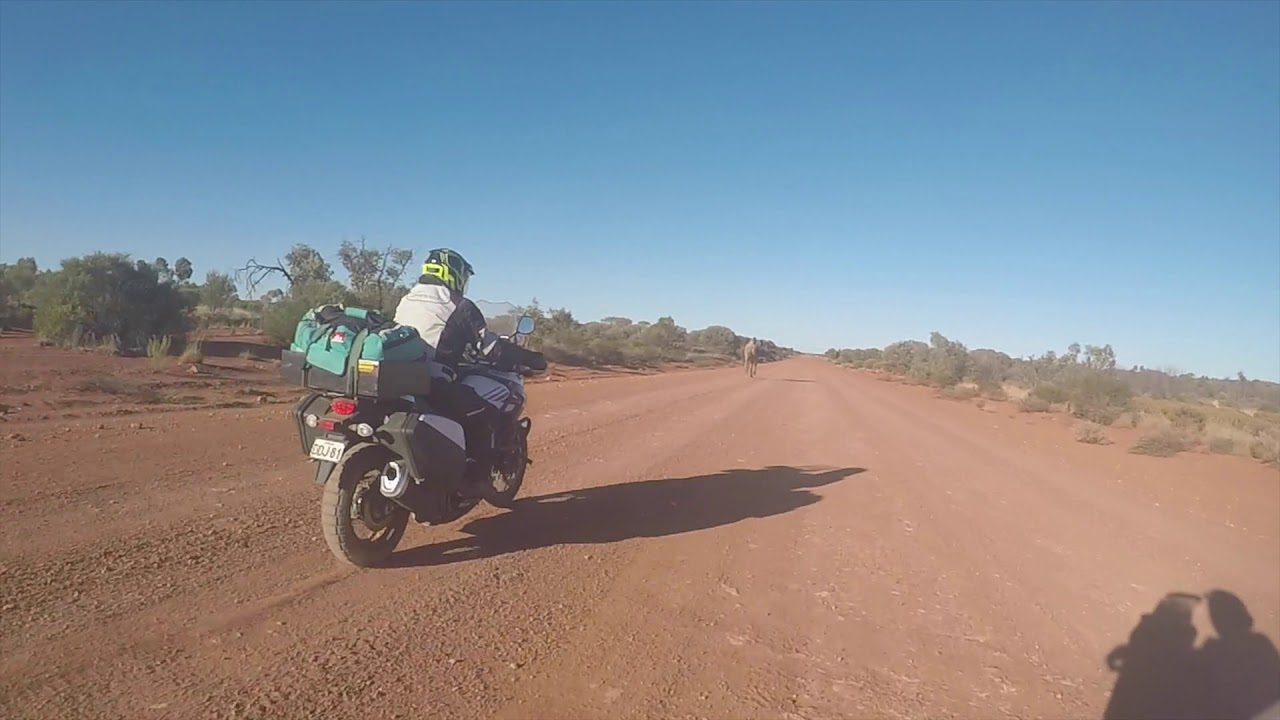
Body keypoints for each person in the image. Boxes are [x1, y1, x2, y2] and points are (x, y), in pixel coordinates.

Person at [393, 247, 544, 497]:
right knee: (484, 411)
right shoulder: (460, 305)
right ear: (453, 274)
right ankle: (476, 480)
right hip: (434, 383)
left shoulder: (406, 299)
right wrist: (532, 359)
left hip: (401, 377)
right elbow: (491, 349)